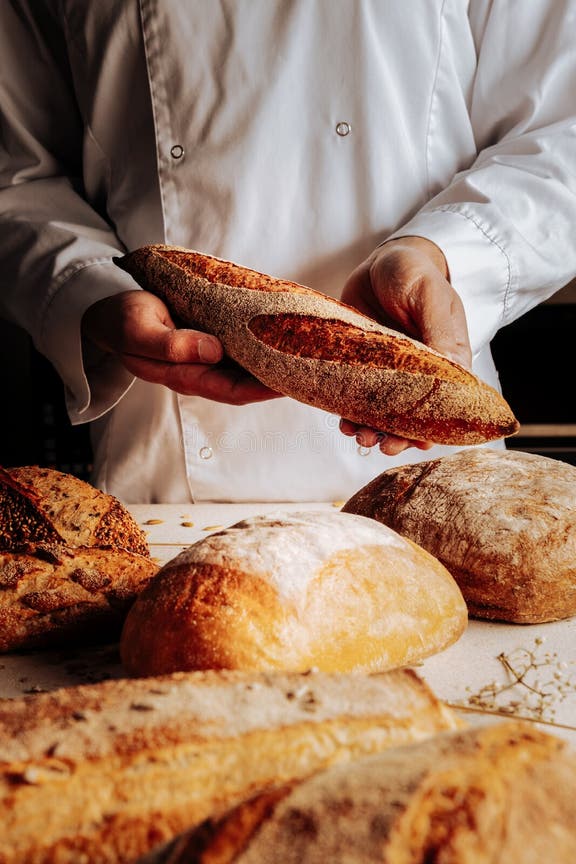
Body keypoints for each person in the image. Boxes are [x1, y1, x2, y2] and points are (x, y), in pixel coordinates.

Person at [1, 1, 575, 504]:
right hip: (169, 464)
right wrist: (92, 290)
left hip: (429, 473)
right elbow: (18, 175)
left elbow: (562, 133)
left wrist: (443, 255)